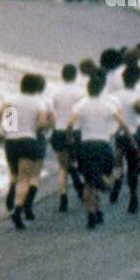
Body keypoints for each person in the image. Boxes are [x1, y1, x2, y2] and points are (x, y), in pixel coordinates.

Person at [66, 69, 128, 229]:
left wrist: (70, 138)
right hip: (103, 144)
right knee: (101, 177)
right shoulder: (108, 104)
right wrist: (114, 133)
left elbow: (70, 124)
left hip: (86, 145)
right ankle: (101, 196)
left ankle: (92, 214)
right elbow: (122, 122)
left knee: (88, 182)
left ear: (87, 89)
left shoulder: (80, 104)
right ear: (101, 89)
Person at [0, 73, 54, 229]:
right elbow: (42, 123)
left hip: (11, 141)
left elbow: (1, 113)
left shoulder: (11, 99)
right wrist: (34, 130)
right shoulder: (39, 102)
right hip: (29, 141)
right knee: (25, 178)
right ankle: (18, 209)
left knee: (14, 174)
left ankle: (11, 189)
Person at [113, 63, 140, 214]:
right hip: (133, 133)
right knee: (133, 168)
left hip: (120, 134)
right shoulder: (137, 96)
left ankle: (117, 178)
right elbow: (138, 108)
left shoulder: (115, 96)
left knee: (118, 159)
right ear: (135, 80)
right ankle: (133, 196)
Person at [47, 64, 85, 212]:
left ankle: (63, 198)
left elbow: (51, 112)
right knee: (74, 161)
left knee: (62, 167)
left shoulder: (55, 92)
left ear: (62, 75)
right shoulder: (81, 93)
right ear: (75, 76)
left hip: (58, 131)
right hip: (75, 131)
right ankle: (77, 182)